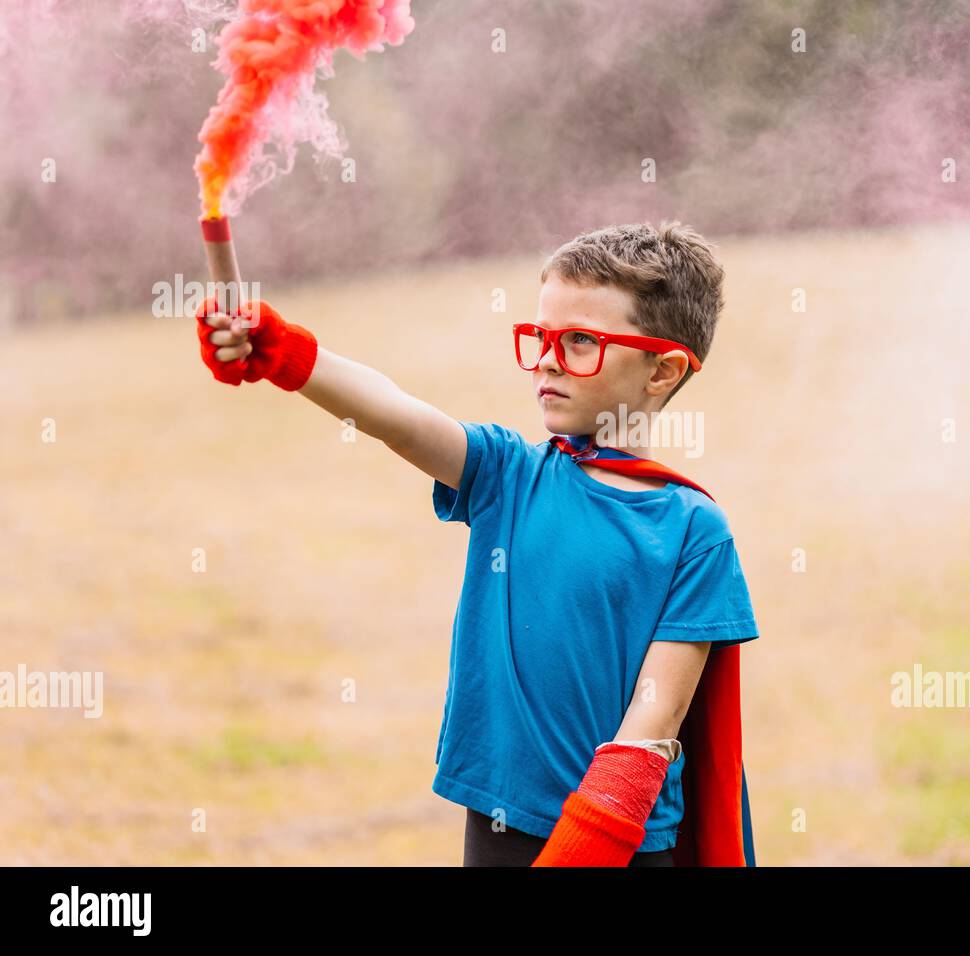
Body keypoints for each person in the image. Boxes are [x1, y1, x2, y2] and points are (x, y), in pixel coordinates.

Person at [195, 221, 760, 866]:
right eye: (541, 338)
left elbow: (652, 726)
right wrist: (281, 351)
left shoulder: (693, 532)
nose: (548, 359)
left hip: (618, 838)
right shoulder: (508, 475)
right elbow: (393, 414)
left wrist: (584, 847)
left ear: (662, 370)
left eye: (580, 341)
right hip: (499, 825)